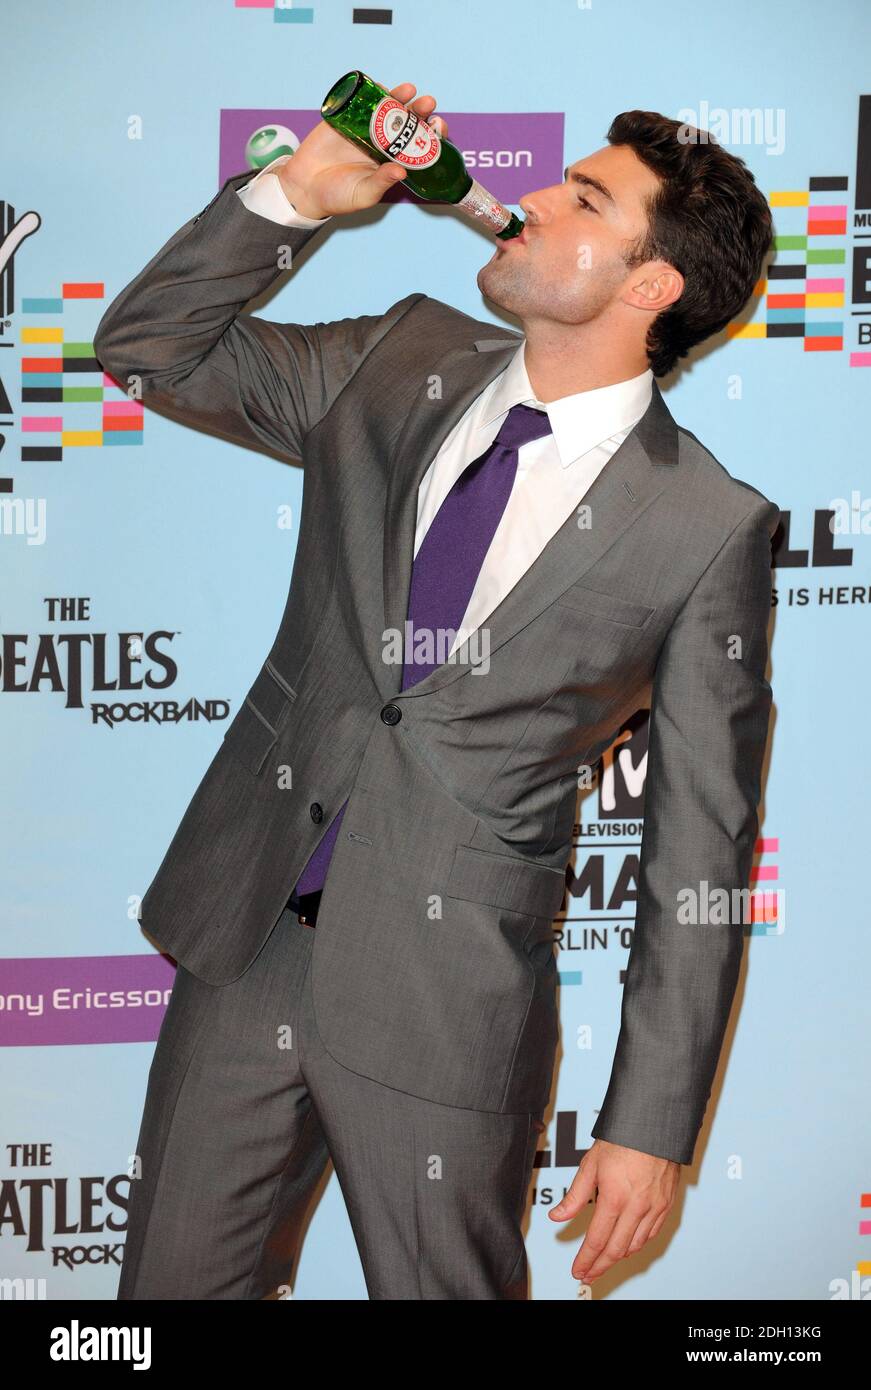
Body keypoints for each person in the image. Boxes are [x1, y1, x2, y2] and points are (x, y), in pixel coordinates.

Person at [94, 82, 779, 1300]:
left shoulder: (705, 527)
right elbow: (148, 351)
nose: (524, 201)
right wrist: (296, 195)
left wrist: (652, 1123)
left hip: (447, 995)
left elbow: (699, 847)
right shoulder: (395, 354)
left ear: (648, 286)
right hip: (249, 942)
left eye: (582, 198)